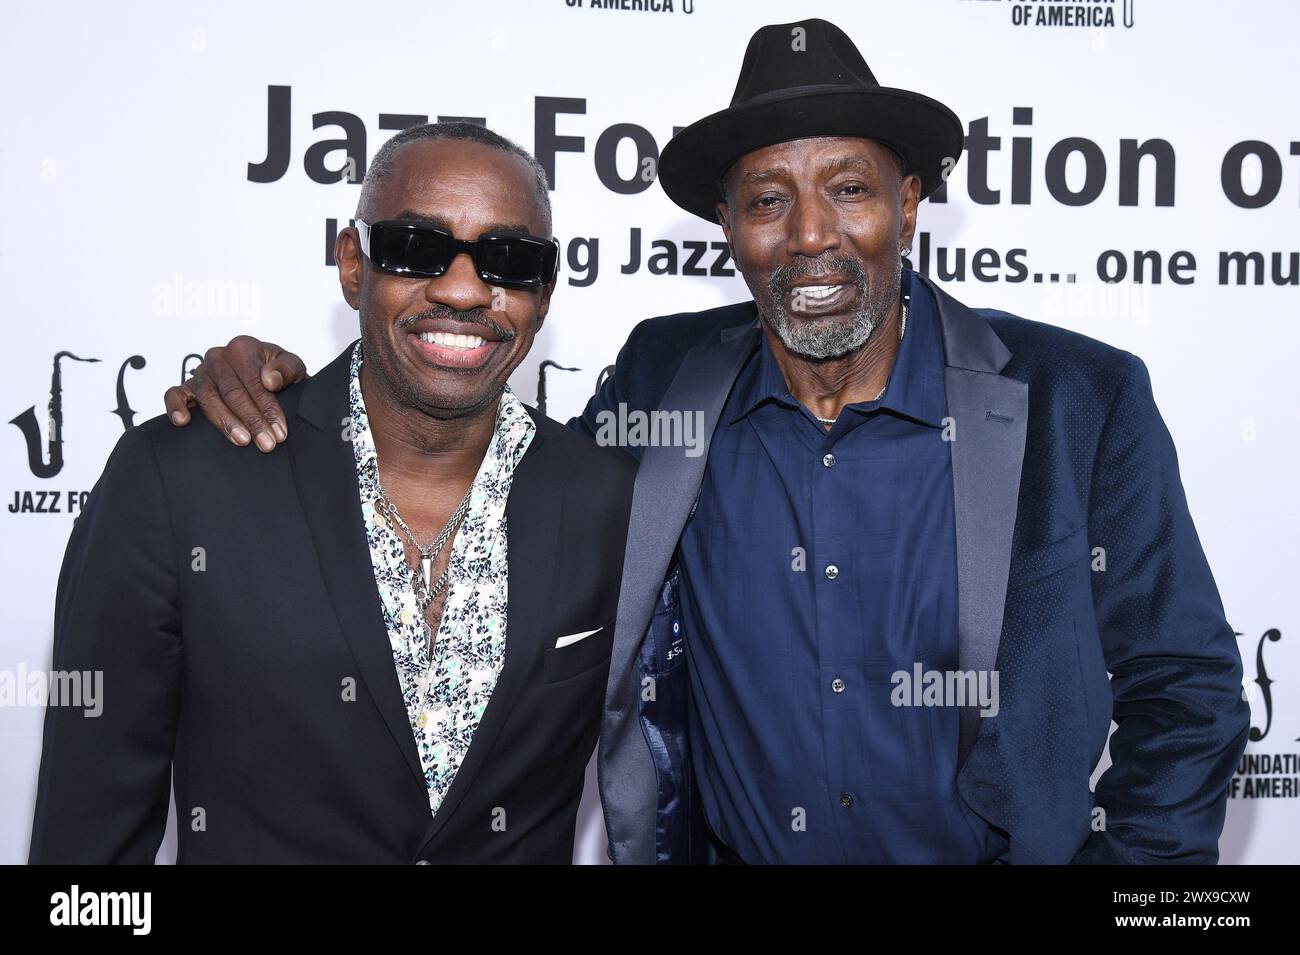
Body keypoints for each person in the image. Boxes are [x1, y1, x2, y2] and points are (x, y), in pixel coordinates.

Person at [164, 20, 1250, 864]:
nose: (812, 233)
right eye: (767, 199)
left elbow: (1189, 693)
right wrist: (292, 394)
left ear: (911, 203)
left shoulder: (1077, 400)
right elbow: (476, 486)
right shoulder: (660, 384)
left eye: (851, 189)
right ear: (728, 228)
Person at [30, 122, 635, 863]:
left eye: (510, 261)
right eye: (418, 246)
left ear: (543, 294)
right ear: (354, 264)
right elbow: (84, 848)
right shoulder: (180, 478)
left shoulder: (612, 502)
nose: (464, 288)